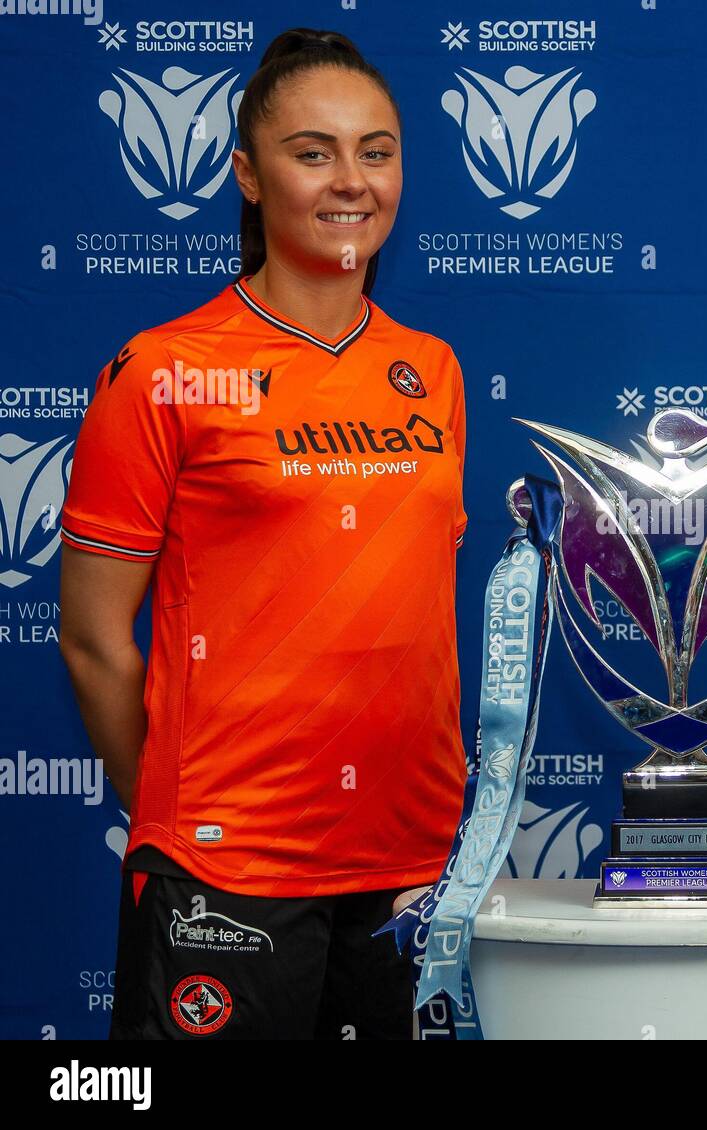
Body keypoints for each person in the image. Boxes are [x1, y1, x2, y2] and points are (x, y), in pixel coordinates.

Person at [58, 29, 468, 1040]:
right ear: (247, 173)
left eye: (376, 151)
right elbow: (93, 636)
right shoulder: (163, 370)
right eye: (313, 151)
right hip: (228, 869)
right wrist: (187, 815)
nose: (352, 182)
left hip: (412, 866)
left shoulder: (434, 370)